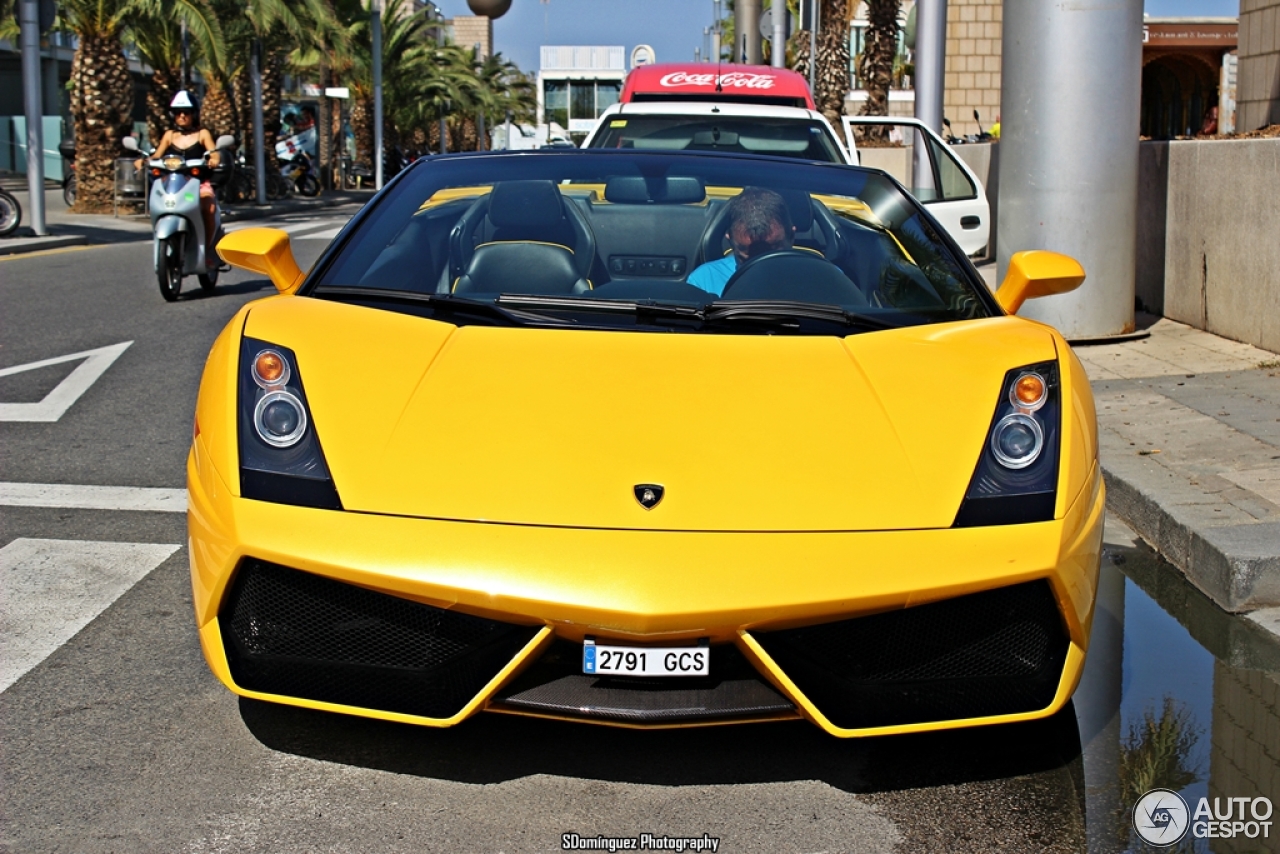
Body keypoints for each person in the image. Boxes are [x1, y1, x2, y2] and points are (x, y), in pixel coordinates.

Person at [137, 90, 222, 267]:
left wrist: (214, 160)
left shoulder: (202, 134)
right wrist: (144, 161)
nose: (182, 116)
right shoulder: (169, 135)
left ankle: (206, 249)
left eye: (186, 112)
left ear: (194, 114)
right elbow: (157, 156)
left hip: (197, 183)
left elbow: (214, 152)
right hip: (173, 182)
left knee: (209, 207)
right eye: (178, 112)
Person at [686, 187, 795, 296]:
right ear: (730, 241)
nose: (761, 269)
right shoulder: (705, 280)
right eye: (747, 258)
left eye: (771, 254)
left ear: (791, 237)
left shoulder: (810, 277)